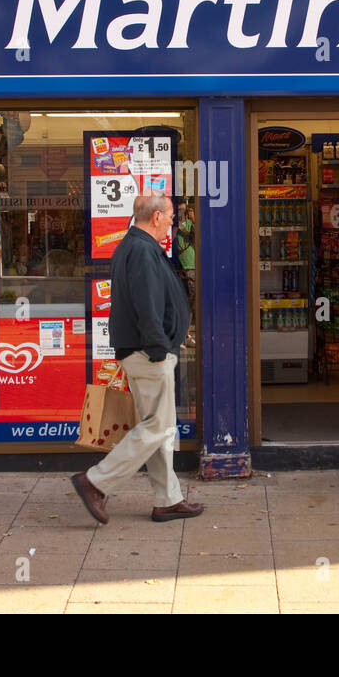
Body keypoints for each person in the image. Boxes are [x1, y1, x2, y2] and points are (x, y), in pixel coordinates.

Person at [72, 193, 204, 524]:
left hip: (144, 351)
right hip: (148, 354)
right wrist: (158, 349)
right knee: (159, 426)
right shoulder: (142, 250)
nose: (173, 223)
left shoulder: (137, 246)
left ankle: (168, 500)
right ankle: (95, 482)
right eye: (170, 216)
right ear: (156, 217)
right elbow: (147, 307)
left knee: (157, 427)